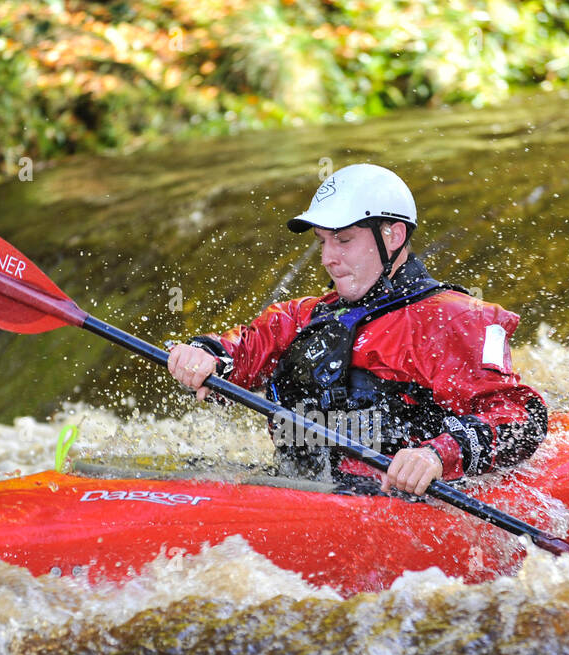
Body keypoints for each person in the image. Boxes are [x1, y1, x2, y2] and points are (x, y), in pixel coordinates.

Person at [167, 163, 547, 496]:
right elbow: (241, 353)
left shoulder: (451, 320)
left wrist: (436, 455)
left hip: (402, 504)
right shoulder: (303, 316)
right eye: (323, 242)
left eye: (344, 240)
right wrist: (203, 355)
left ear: (392, 236)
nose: (328, 258)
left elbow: (518, 418)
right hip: (302, 493)